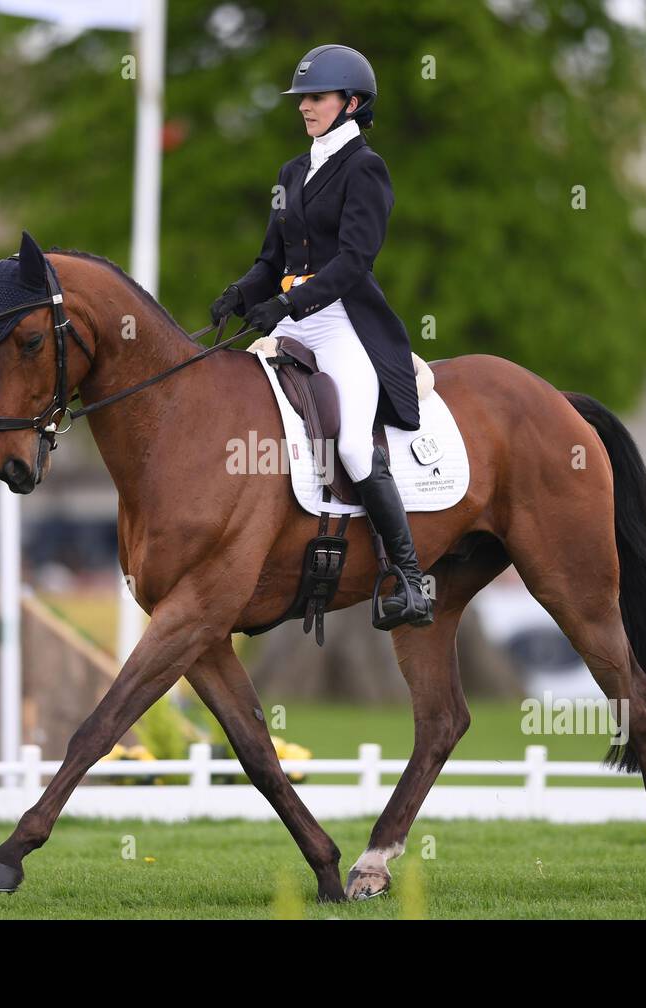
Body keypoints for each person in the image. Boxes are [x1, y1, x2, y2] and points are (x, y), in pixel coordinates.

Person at [209, 44, 432, 629]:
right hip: (290, 317)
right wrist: (242, 293)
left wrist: (287, 302)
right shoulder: (291, 172)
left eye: (316, 98)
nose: (304, 107)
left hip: (342, 325)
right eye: (302, 99)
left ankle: (409, 578)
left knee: (355, 446)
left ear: (350, 104)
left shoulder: (365, 169)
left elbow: (354, 262)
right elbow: (270, 260)